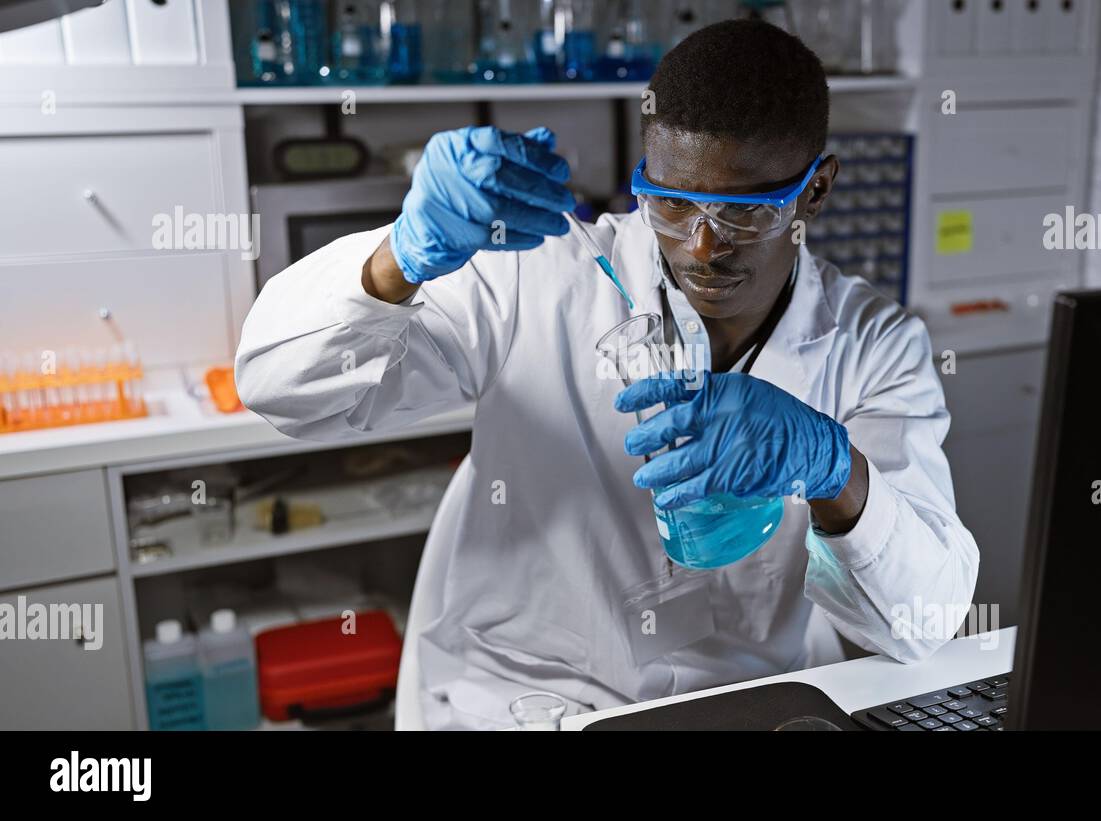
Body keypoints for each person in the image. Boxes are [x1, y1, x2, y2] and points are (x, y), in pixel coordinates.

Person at [236, 19, 978, 730]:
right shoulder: (539, 273)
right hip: (529, 704)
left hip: (744, 704)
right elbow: (277, 387)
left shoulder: (874, 345)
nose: (702, 246)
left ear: (815, 190)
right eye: (672, 202)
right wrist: (400, 255)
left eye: (743, 212)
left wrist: (833, 468)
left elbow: (923, 622)